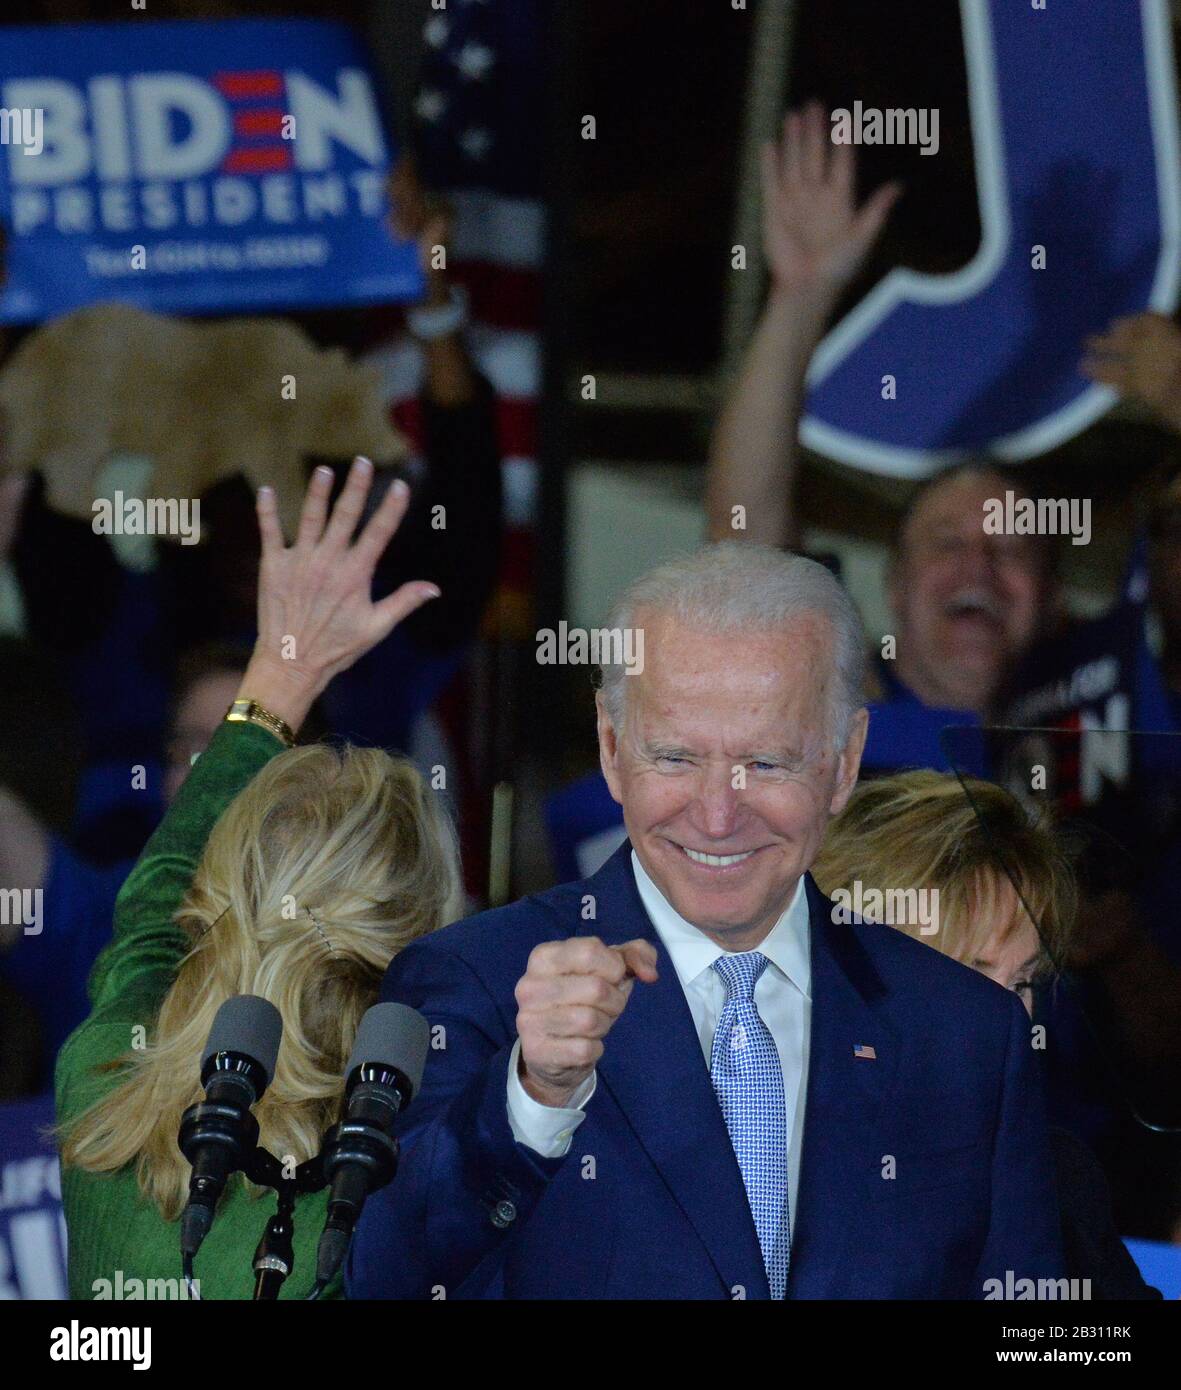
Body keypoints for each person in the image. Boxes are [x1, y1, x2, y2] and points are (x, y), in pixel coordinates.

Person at [348, 542, 1064, 1299]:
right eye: (676, 759)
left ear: (844, 762)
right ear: (612, 746)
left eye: (767, 762)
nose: (718, 815)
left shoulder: (966, 1033)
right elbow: (384, 1277)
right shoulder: (478, 984)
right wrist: (529, 1098)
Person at [55, 459, 458, 1300]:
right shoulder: (424, 1172)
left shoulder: (103, 1084)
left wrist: (280, 673)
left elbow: (154, 907)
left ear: (213, 894)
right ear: (417, 934)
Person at [706, 105, 1056, 774]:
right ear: (894, 585)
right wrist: (801, 297)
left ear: (1051, 603)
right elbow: (740, 535)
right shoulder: (831, 723)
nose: (976, 567)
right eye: (946, 543)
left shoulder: (1106, 756)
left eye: (1010, 546)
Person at [811, 767, 1162, 1299]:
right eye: (968, 978)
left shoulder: (1054, 1178)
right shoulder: (758, 1185)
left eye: (1023, 982)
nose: (1011, 1024)